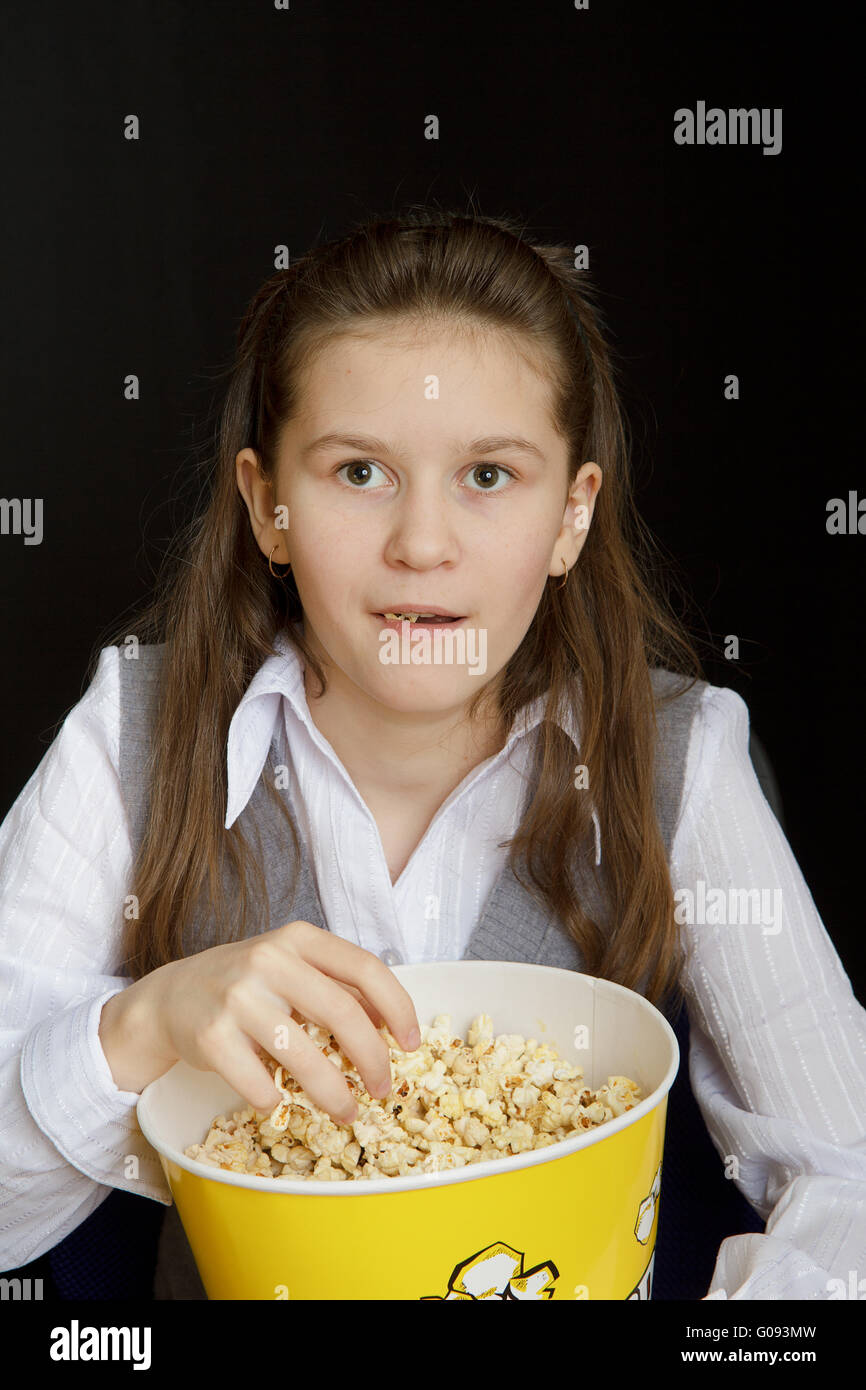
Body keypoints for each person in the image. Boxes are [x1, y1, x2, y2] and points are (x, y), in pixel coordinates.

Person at [1, 208, 864, 1301]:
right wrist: (140, 1025)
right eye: (358, 472)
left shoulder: (675, 756)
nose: (421, 543)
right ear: (268, 505)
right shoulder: (133, 727)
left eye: (489, 476)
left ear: (570, 516)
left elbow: (848, 1170)